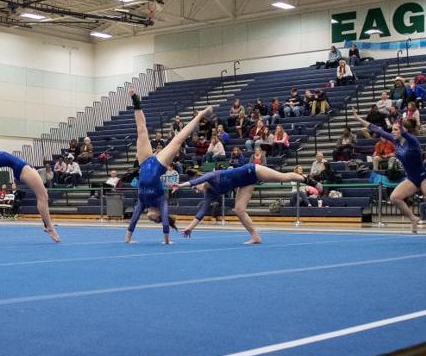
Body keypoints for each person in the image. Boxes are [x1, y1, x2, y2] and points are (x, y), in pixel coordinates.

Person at [352, 110, 426, 242]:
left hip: (425, 177)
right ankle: (413, 218)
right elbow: (376, 129)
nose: (393, 132)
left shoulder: (412, 142)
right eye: (392, 130)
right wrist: (359, 119)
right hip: (412, 178)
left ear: (402, 130)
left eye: (395, 130)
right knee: (395, 197)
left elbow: (405, 132)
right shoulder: (395, 141)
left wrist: (401, 124)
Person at [125, 87, 213, 245]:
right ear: (157, 215)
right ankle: (199, 115)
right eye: (153, 220)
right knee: (178, 140)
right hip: (159, 165)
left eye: (149, 219)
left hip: (144, 163)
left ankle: (135, 100)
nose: (150, 218)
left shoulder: (143, 202)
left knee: (141, 131)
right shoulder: (160, 201)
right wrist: (166, 241)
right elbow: (165, 222)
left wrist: (128, 239)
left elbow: (134, 219)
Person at [170, 163, 305, 244]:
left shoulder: (212, 176)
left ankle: (307, 179)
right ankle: (255, 237)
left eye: (196, 188)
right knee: (239, 210)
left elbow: (195, 181)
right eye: (195, 189)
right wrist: (189, 228)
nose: (196, 190)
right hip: (245, 183)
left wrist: (181, 185)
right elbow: (202, 211)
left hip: (252, 170)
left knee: (282, 177)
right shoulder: (210, 193)